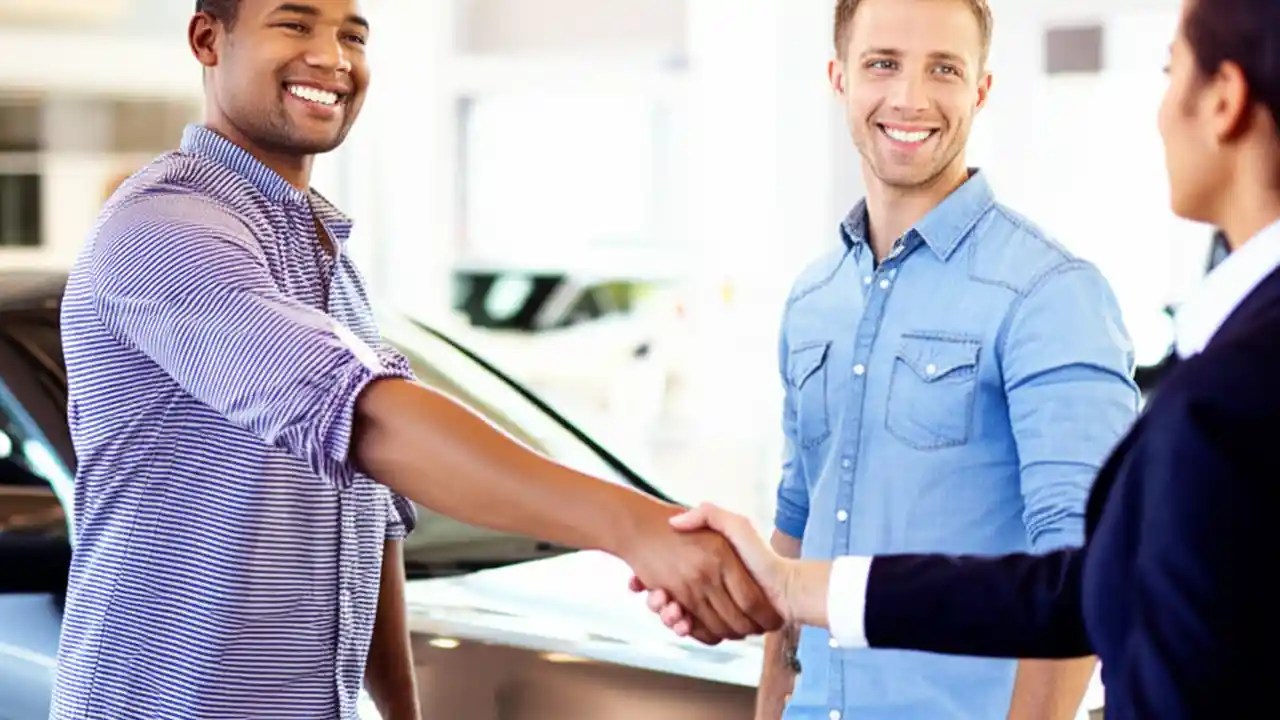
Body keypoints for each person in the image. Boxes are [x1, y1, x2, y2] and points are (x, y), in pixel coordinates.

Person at [51, 1, 780, 718]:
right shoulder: (160, 228)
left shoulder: (329, 264)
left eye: (352, 35)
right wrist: (636, 529)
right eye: (294, 23)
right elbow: (368, 420)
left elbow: (372, 522)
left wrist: (400, 709)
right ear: (208, 39)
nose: (332, 57)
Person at [643, 0, 1280, 716]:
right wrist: (772, 705)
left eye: (943, 69)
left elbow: (1079, 577)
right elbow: (797, 526)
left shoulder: (1051, 294)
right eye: (882, 64)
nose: (910, 98)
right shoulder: (813, 298)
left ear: (981, 89)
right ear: (839, 77)